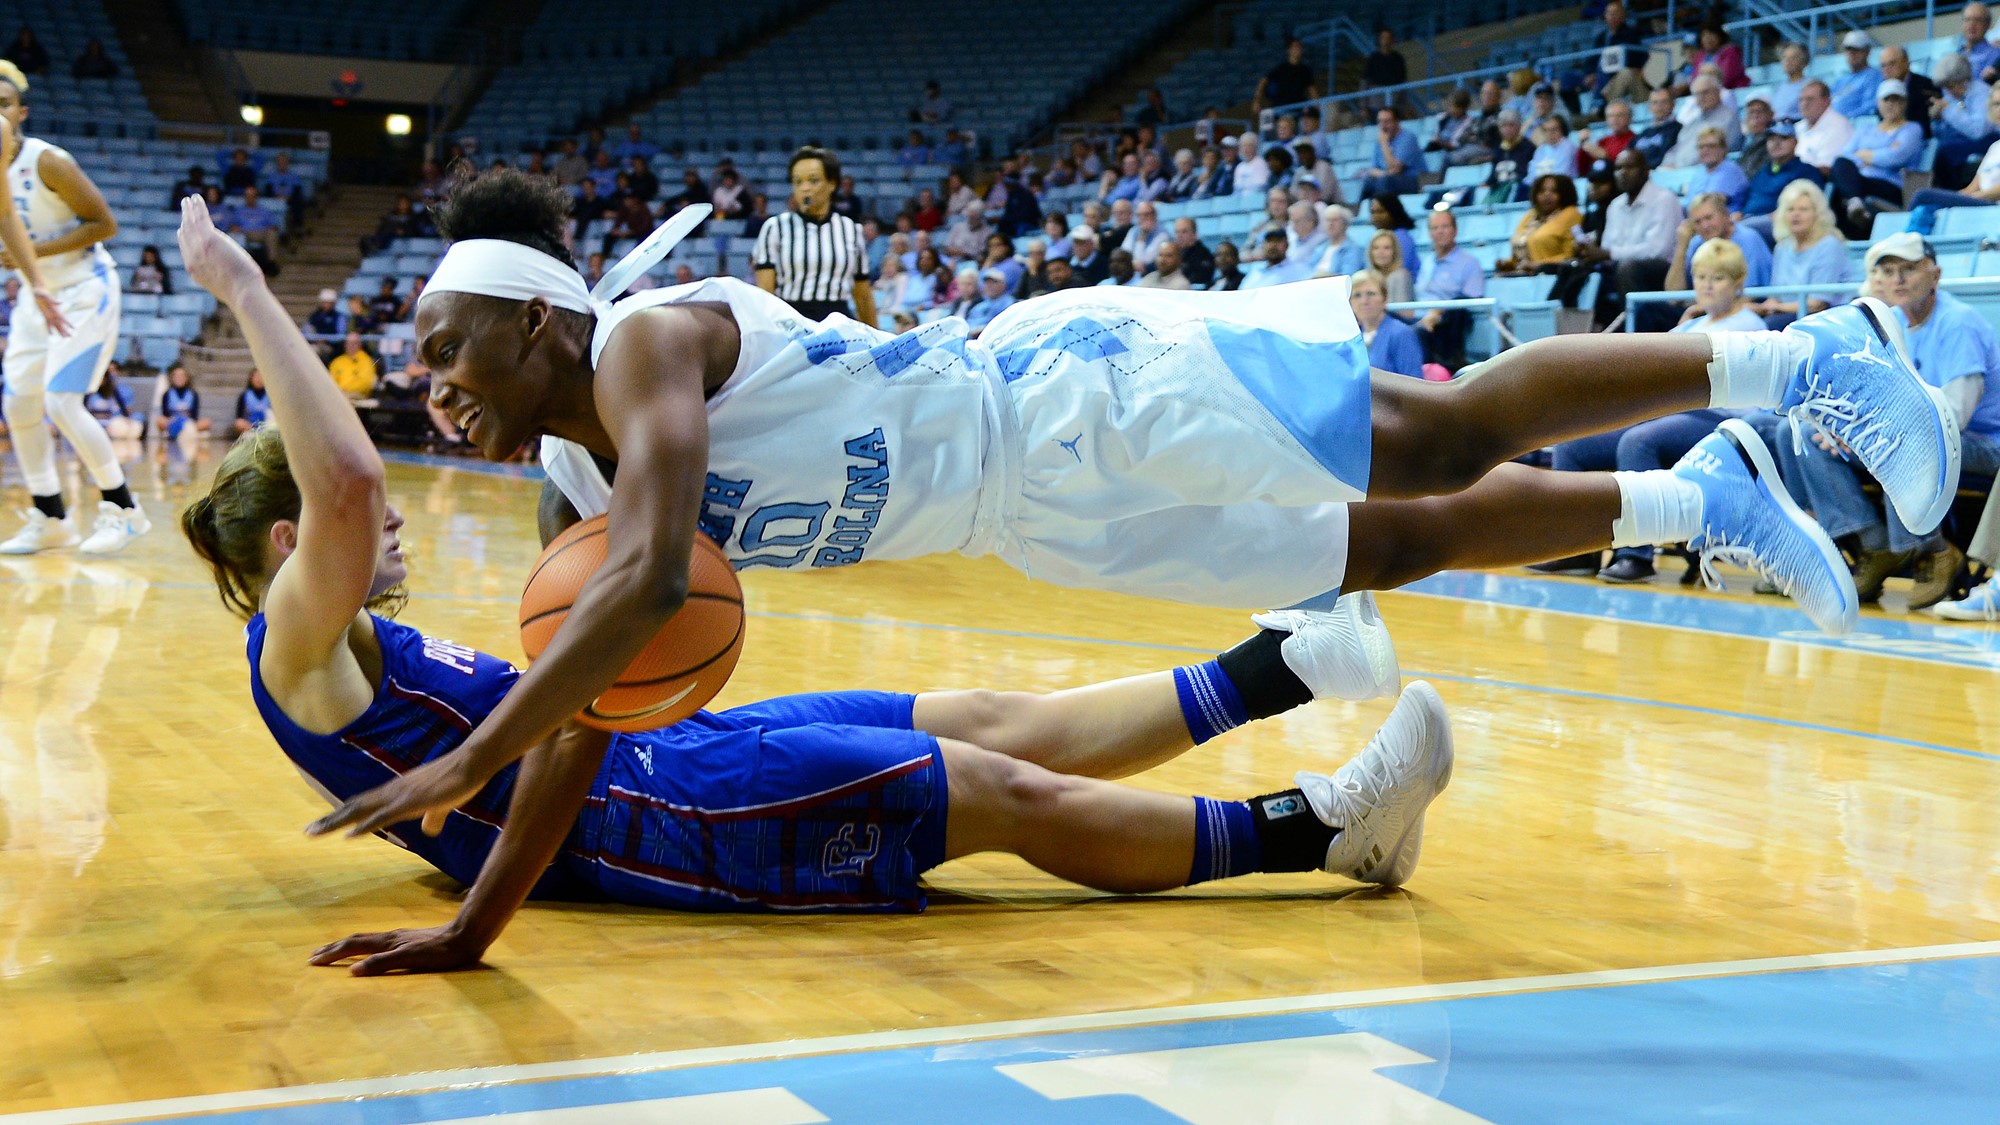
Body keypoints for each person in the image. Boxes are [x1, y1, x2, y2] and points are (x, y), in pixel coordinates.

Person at [300, 168, 1971, 834]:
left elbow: (659, 580)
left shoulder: (653, 347)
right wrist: (482, 909)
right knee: (1393, 546)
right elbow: (599, 703)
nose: (428, 386)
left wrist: (462, 750)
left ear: (537, 321)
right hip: (1034, 519)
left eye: (444, 354)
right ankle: (1688, 505)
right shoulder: (565, 489)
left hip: (1062, 387)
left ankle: (1788, 357)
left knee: (1434, 440)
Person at [1776, 233, 2000, 609]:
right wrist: (1844, 428)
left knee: (1900, 438)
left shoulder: (1958, 323)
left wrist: (1869, 432)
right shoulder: (1888, 323)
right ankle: (1872, 544)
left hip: (1980, 445)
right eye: (1888, 270)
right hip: (1911, 437)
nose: (1898, 279)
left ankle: (1932, 550)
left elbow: (1954, 418)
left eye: (1909, 269)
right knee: (1796, 432)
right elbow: (1862, 396)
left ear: (1936, 274)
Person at [1534, 238, 1768, 584]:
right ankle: (1575, 549)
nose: (1705, 285)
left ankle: (1636, 555)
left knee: (1638, 441)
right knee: (1573, 445)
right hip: (1673, 414)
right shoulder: (1691, 325)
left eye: (1717, 278)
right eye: (1700, 276)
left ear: (1737, 284)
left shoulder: (1750, 326)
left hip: (1721, 419)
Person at [0, 61, 148, 557]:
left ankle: (124, 510)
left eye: (3, 105)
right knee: (18, 404)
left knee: (61, 402)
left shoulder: (49, 162)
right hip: (34, 296)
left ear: (21, 112)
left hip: (85, 288)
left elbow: (105, 224)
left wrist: (29, 255)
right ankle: (51, 517)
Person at [754, 147, 874, 326]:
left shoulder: (850, 229)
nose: (805, 188)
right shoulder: (775, 227)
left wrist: (881, 341)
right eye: (797, 182)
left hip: (839, 323)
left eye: (813, 181)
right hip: (791, 323)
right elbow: (765, 295)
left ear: (832, 184)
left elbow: (862, 295)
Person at [1575, 149, 1684, 327]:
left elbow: (1657, 251)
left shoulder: (1664, 199)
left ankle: (1637, 332)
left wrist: (1608, 253)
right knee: (1580, 270)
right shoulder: (1615, 205)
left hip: (1663, 271)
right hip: (1621, 267)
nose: (1622, 173)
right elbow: (1608, 247)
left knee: (1628, 267)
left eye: (1629, 167)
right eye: (1618, 168)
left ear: (1646, 170)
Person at [1828, 80, 1924, 236]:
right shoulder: (1864, 129)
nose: (1890, 104)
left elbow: (1895, 157)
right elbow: (1845, 155)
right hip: (1860, 182)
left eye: (1896, 99)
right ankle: (1855, 205)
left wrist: (1865, 155)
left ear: (1905, 102)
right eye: (1886, 99)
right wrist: (1880, 155)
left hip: (1892, 185)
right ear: (1878, 103)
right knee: (1840, 165)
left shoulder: (1912, 129)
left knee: (1842, 187)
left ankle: (1854, 205)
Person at [1756, 180, 1853, 329]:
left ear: (1817, 214)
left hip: (1825, 318)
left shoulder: (1829, 244)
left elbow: (1818, 304)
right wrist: (1770, 306)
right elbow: (1775, 296)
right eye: (1790, 209)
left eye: (1803, 209)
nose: (1796, 214)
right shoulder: (1782, 247)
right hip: (1788, 315)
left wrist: (1776, 308)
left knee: (1768, 326)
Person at [1909, 85, 2000, 232]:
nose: (1999, 109)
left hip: (1993, 206)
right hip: (1980, 202)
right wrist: (1955, 197)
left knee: (1923, 197)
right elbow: (1971, 188)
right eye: (1996, 104)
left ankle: (1907, 246)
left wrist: (1975, 196)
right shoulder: (1995, 147)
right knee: (1928, 203)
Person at [1411, 210, 1484, 371]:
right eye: (1434, 227)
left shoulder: (1470, 263)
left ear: (1455, 230)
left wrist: (1438, 312)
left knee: (1416, 333)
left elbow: (1472, 298)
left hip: (1445, 324)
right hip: (1418, 318)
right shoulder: (1426, 262)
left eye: (1445, 226)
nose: (1440, 231)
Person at [1666, 192, 1772, 296]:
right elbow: (1674, 296)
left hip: (1743, 308)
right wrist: (1682, 246)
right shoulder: (1696, 242)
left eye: (1709, 218)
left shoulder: (1748, 239)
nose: (1705, 226)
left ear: (1725, 215)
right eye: (1697, 222)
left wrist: (1704, 308)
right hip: (1708, 304)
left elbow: (1749, 295)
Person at [1738, 120, 1824, 245]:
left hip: (1778, 222)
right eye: (1771, 139)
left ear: (1795, 142)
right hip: (1748, 219)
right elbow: (1747, 198)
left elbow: (1811, 204)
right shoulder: (1761, 172)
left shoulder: (1806, 171)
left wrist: (1783, 212)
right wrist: (1738, 213)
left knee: (1737, 231)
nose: (1776, 143)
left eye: (1783, 138)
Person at [1929, 53, 1995, 192]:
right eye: (1945, 87)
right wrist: (1937, 120)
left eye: (1951, 86)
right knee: (1936, 149)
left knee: (1944, 152)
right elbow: (1942, 134)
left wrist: (1947, 111)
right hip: (1965, 143)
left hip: (1989, 140)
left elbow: (1978, 131)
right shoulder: (1951, 95)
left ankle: (1954, 194)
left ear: (1964, 80)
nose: (1948, 91)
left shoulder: (1981, 92)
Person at [1497, 174, 1582, 275]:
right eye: (1541, 191)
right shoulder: (1530, 215)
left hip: (1554, 275)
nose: (1547, 195)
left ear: (1564, 194)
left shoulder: (1571, 214)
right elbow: (1520, 251)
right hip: (1524, 275)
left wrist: (1538, 265)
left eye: (1554, 191)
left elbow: (1570, 257)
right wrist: (1508, 264)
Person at [1348, 272, 1423, 378]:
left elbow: (1415, 383)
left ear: (1385, 299)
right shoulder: (1350, 337)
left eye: (1371, 294)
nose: (1364, 301)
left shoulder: (1401, 333)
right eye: (1357, 295)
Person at [1665, 77, 1740, 168]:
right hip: (1678, 172)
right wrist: (1666, 165)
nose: (1701, 97)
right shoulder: (1692, 122)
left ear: (1717, 92)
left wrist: (1679, 167)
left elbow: (1715, 152)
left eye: (1705, 92)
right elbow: (1676, 149)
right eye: (1697, 94)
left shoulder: (1728, 119)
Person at [1589, 0, 1651, 104]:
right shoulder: (1600, 38)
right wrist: (1589, 73)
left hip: (1620, 76)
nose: (1612, 16)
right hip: (1602, 77)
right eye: (1609, 13)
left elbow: (1639, 59)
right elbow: (1591, 60)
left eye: (1615, 13)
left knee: (1625, 73)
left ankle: (1603, 108)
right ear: (1605, 15)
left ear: (1623, 16)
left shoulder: (1631, 34)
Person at [1357, 110, 1424, 201]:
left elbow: (1396, 169)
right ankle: (1363, 213)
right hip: (1387, 179)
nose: (1383, 126)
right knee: (1368, 182)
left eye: (1387, 121)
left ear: (1397, 122)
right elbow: (1372, 170)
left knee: (1385, 181)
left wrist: (1384, 143)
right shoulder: (1379, 141)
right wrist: (1385, 174)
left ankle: (1386, 211)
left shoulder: (1408, 138)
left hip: (1411, 181)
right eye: (1380, 121)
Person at [1683, 126, 1751, 213]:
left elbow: (1713, 204)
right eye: (1701, 147)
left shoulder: (1730, 170)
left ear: (1723, 149)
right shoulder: (1699, 172)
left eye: (1711, 146)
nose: (1705, 150)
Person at [1795, 80, 1854, 176]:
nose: (1804, 104)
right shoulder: (1798, 126)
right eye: (1801, 100)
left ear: (1826, 101)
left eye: (1810, 99)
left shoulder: (1838, 127)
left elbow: (1825, 170)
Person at [1880, 45, 1940, 138]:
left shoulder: (1927, 86)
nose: (1887, 69)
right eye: (1883, 65)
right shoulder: (1882, 89)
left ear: (1906, 63)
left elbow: (1925, 124)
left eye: (1892, 63)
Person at [1482, 110, 1536, 204]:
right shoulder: (1498, 148)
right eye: (1504, 126)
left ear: (1519, 126)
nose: (1508, 129)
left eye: (1511, 125)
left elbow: (1525, 174)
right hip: (1499, 190)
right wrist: (1486, 183)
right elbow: (1493, 175)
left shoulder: (1528, 147)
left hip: (1520, 191)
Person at [1253, 38, 1316, 114]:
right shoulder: (1280, 68)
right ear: (1288, 50)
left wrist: (1320, 107)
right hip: (1282, 107)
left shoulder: (1305, 70)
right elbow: (1263, 82)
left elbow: (1312, 91)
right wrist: (1257, 100)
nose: (1298, 49)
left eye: (1300, 47)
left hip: (1299, 107)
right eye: (1295, 47)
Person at [1832, 32, 1884, 121]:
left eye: (1856, 50)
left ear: (1867, 51)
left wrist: (1844, 117)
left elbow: (1870, 108)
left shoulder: (1874, 76)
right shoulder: (1840, 80)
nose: (1852, 54)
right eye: (1848, 50)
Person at [83, 363, 140, 440]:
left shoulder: (115, 392)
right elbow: (84, 409)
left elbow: (125, 410)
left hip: (113, 422)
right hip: (94, 424)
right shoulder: (89, 393)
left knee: (132, 426)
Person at [1367, 194, 1420, 275]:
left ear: (1393, 212)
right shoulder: (1376, 238)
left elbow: (1399, 269)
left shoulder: (1402, 239)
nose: (1375, 216)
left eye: (1381, 212)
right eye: (1373, 212)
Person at [1239, 229, 1311, 288]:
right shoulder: (1254, 271)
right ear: (1262, 245)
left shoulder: (1300, 270)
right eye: (1269, 241)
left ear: (1287, 244)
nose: (1273, 245)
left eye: (1278, 241)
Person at [1631, 88, 1682, 169]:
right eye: (1655, 102)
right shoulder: (1643, 133)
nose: (1659, 106)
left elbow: (1665, 159)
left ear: (1673, 104)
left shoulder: (1679, 130)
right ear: (1649, 107)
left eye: (1664, 102)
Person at [155, 363, 208, 441]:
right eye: (176, 376)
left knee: (206, 422)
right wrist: (173, 419)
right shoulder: (167, 394)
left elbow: (195, 414)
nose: (179, 378)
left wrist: (185, 418)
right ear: (172, 378)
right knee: (160, 420)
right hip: (172, 421)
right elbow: (165, 413)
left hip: (188, 421)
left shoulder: (193, 394)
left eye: (181, 376)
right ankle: (173, 432)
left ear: (186, 378)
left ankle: (187, 431)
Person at [1582, 99, 1637, 171]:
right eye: (1610, 116)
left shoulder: (1636, 140)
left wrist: (1605, 156)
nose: (1614, 119)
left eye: (1619, 115)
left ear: (1629, 118)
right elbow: (1583, 169)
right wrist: (1583, 144)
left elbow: (1628, 168)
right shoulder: (1603, 141)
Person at [1363, 229, 1414, 303]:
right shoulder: (1367, 276)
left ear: (1394, 252)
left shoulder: (1401, 276)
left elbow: (1404, 311)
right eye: (1376, 248)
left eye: (1386, 248)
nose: (1380, 252)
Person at [1314, 205, 1365, 277]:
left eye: (1335, 220)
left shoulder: (1353, 249)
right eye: (1327, 220)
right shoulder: (1320, 247)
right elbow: (1308, 270)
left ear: (1345, 224)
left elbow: (1347, 276)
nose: (1330, 224)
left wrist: (1321, 277)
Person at [1362, 29, 1407, 109]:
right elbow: (1365, 82)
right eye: (1383, 38)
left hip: (1394, 99)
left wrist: (1403, 103)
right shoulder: (1373, 58)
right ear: (1379, 40)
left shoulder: (1398, 58)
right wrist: (1363, 106)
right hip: (1376, 100)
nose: (1386, 41)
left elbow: (1402, 81)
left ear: (1393, 40)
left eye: (1388, 38)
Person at [1768, 41, 1811, 121]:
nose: (1787, 61)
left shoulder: (1809, 87)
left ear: (1804, 62)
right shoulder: (1779, 87)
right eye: (1784, 57)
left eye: (1793, 58)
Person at [328, 331, 377, 399]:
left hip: (357, 395)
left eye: (354, 343)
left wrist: (345, 389)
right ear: (345, 344)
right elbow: (331, 381)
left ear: (360, 345)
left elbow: (366, 383)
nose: (351, 346)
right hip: (339, 394)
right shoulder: (337, 361)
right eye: (348, 343)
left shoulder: (366, 361)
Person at [1528, 114, 1580, 179]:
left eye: (1554, 129)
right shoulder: (1541, 149)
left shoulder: (1568, 147)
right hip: (1540, 184)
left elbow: (1561, 174)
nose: (1550, 133)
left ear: (1562, 130)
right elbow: (1531, 172)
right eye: (1546, 130)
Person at [1170, 217, 1216, 287]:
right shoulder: (1174, 254)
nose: (1179, 236)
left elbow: (1200, 280)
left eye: (1184, 232)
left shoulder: (1204, 256)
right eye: (1177, 232)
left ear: (1194, 234)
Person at [1737, 98, 1775, 174]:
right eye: (1751, 112)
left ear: (1770, 115)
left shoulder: (1772, 140)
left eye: (1759, 112)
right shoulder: (1744, 140)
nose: (1755, 116)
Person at [233, 367, 270, 435]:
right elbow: (239, 418)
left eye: (261, 376)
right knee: (239, 423)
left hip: (267, 426)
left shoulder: (270, 395)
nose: (259, 379)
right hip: (250, 427)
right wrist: (249, 426)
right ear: (251, 378)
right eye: (256, 377)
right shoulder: (245, 395)